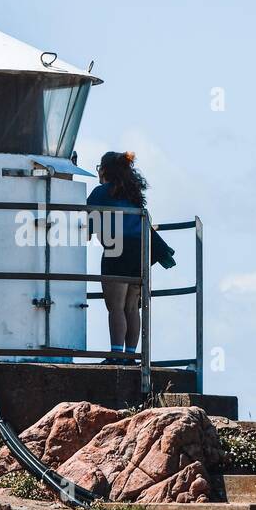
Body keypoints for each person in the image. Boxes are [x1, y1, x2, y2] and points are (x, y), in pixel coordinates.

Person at [86, 151, 174, 364]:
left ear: (104, 170)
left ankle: (116, 355)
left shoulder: (101, 192)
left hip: (117, 250)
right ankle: (131, 356)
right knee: (132, 306)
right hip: (140, 251)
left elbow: (85, 223)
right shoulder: (133, 194)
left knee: (115, 306)